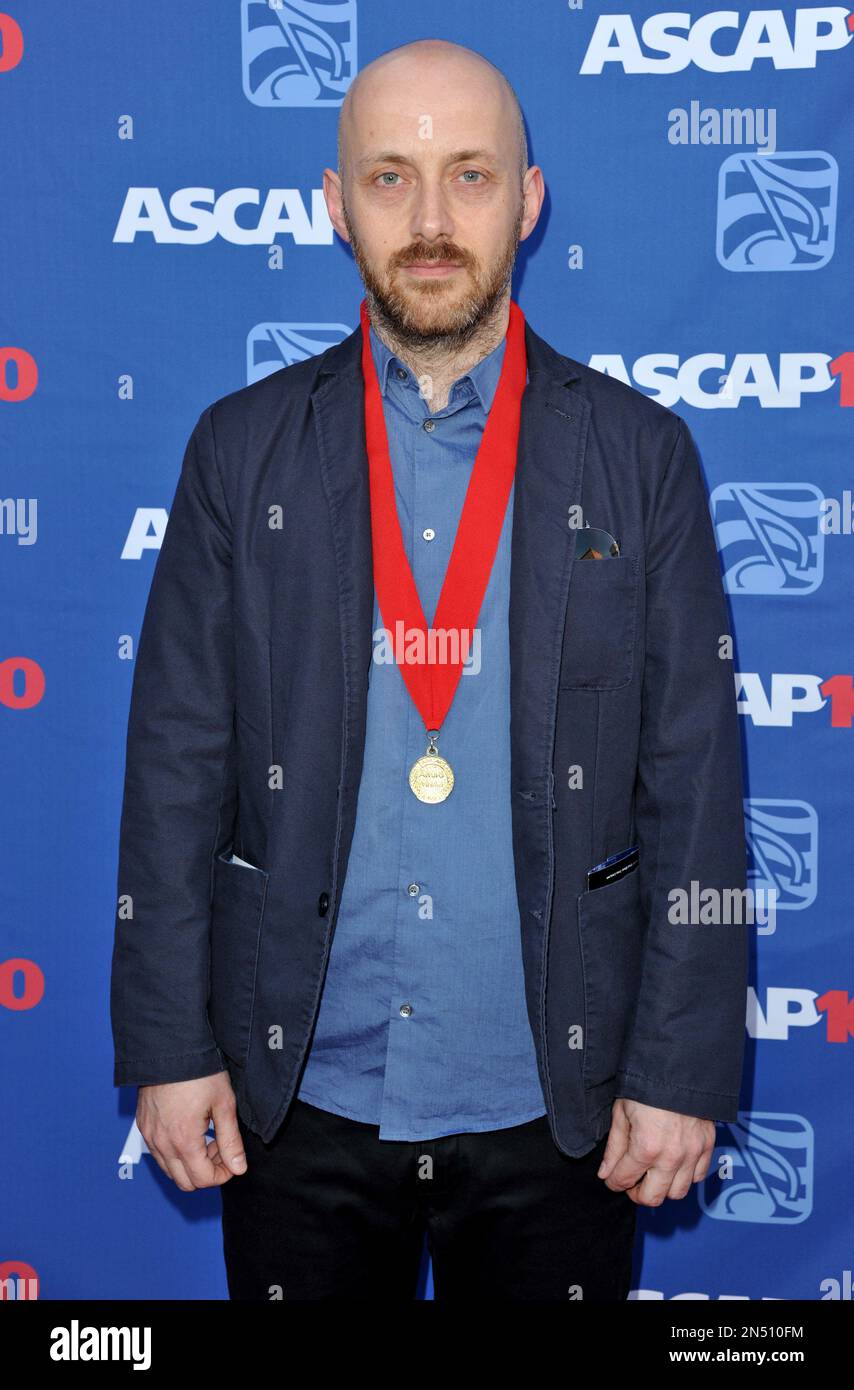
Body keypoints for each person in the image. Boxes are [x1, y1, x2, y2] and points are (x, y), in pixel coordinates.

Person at [110, 38, 748, 1301]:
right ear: (334, 206)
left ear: (528, 198)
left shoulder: (639, 456)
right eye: (390, 179)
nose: (432, 221)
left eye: (469, 175)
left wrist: (678, 1067)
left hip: (557, 1099)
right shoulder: (239, 453)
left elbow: (692, 783)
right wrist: (169, 1045)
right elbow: (176, 765)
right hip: (295, 1089)